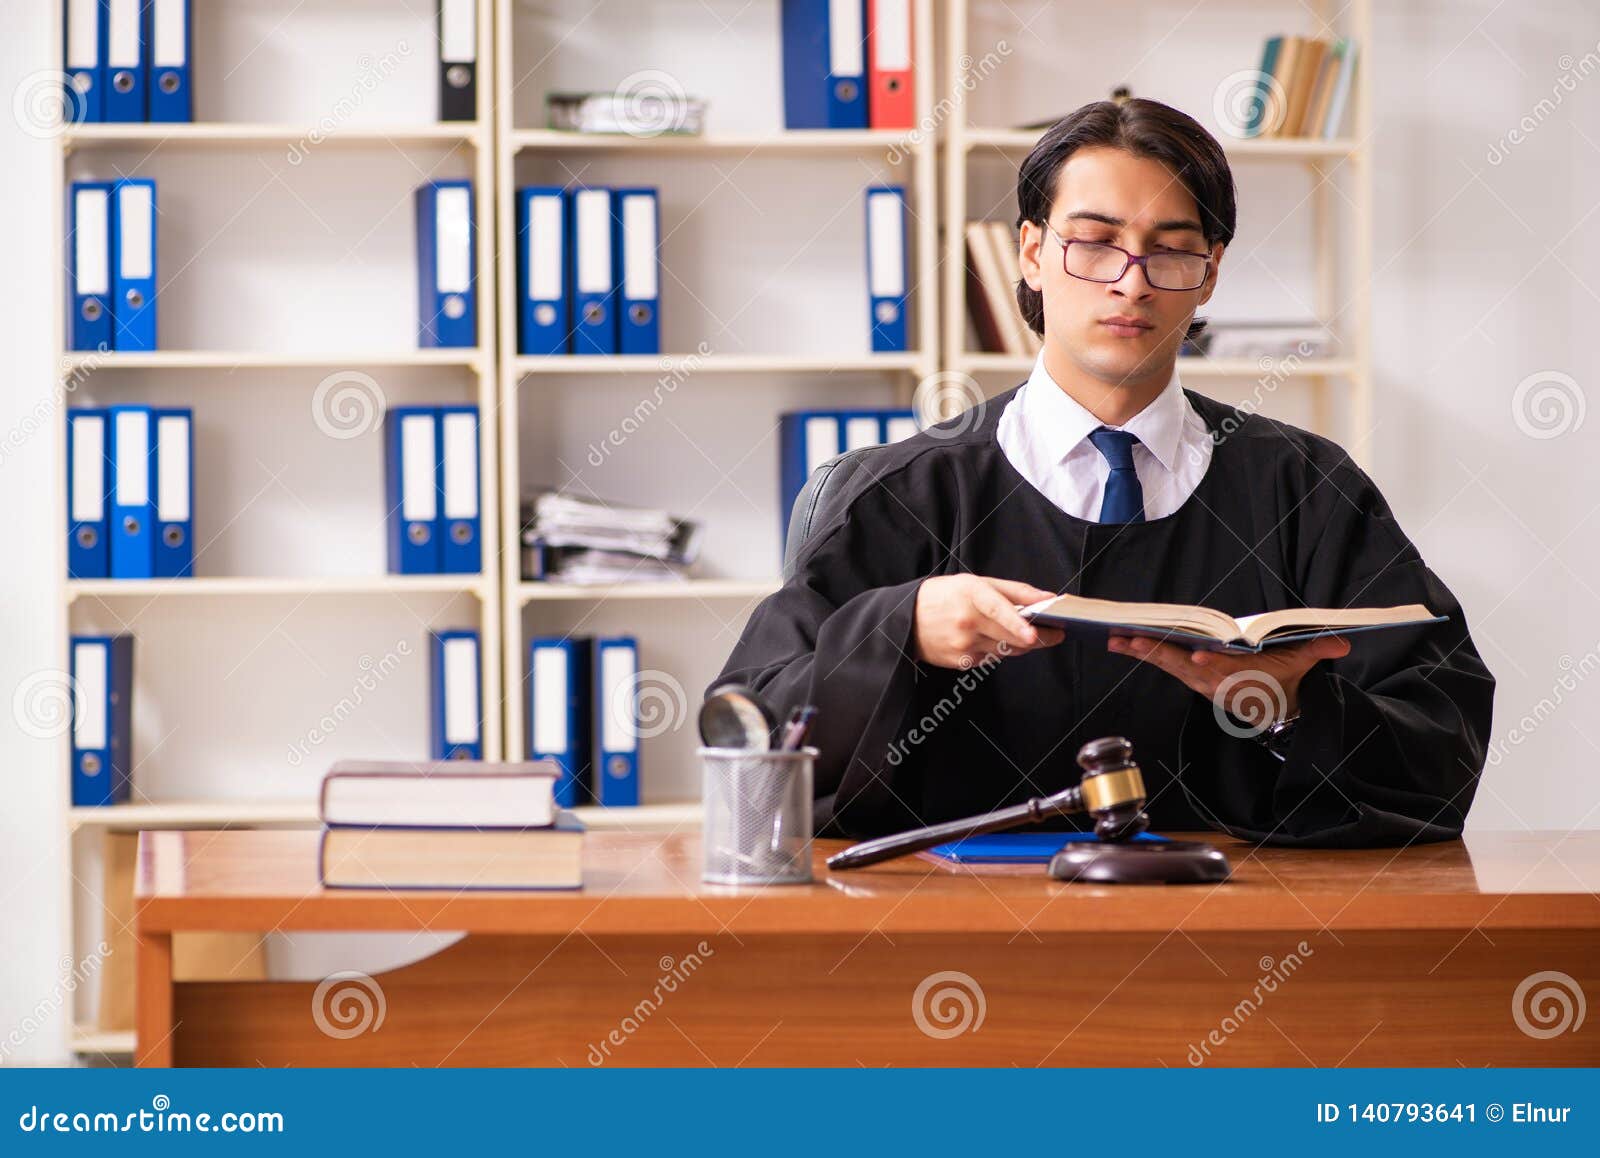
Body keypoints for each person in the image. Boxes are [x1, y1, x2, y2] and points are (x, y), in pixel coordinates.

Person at [713, 98, 1494, 847]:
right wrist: (899, 632)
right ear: (1032, 252)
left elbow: (1443, 751)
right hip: (947, 928)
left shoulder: (1308, 491)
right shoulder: (902, 495)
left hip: (1242, 937)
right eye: (1093, 241)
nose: (1132, 280)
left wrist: (1291, 705)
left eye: (1172, 248)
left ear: (1211, 271)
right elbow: (748, 742)